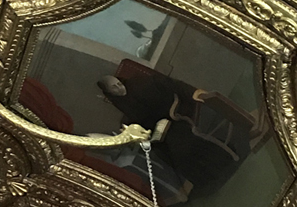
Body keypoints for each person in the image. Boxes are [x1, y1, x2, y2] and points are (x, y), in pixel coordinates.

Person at [97, 67, 262, 197]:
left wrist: (193, 93)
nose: (119, 88)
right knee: (171, 152)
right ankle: (210, 175)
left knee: (183, 142)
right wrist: (151, 135)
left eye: (118, 83)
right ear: (110, 94)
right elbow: (144, 129)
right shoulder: (126, 115)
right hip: (164, 132)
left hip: (180, 113)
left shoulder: (143, 82)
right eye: (114, 88)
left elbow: (172, 85)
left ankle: (227, 157)